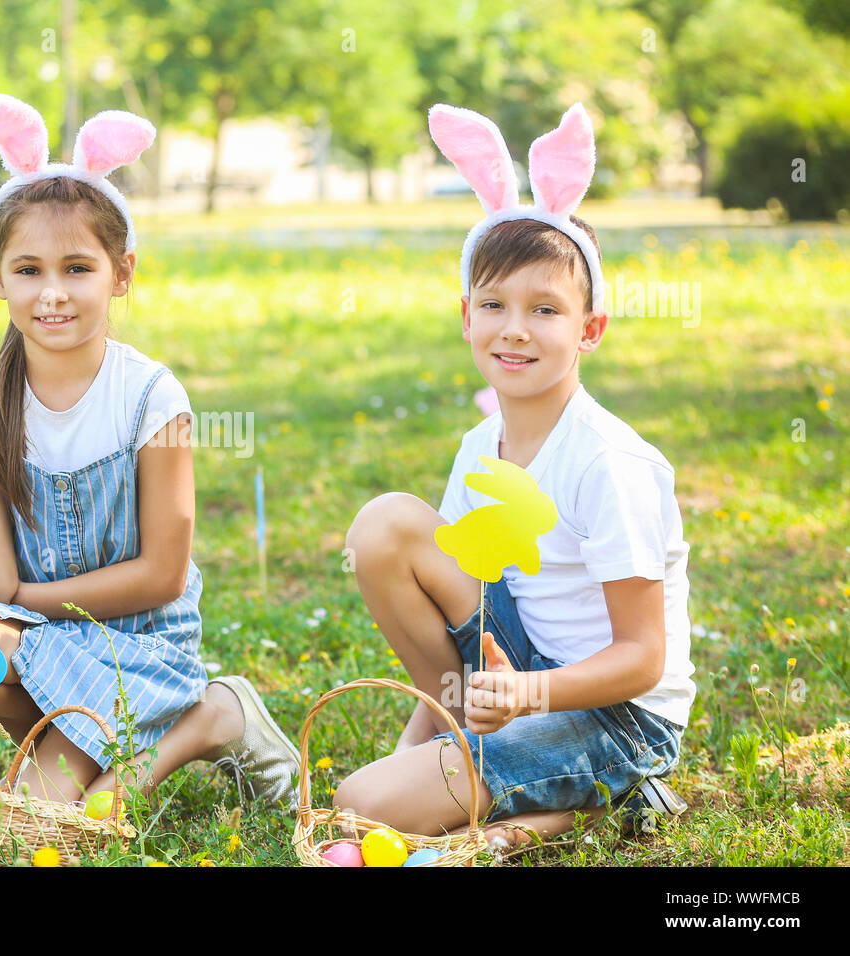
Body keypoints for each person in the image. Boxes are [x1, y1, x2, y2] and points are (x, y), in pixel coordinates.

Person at [0, 93, 299, 805]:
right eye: (28, 271)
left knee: (45, 827)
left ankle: (207, 716)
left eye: (77, 269)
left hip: (142, 646)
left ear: (122, 273)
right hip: (39, 635)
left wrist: (23, 607)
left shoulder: (153, 399)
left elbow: (162, 575)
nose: (52, 294)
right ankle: (101, 752)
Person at [335, 103, 693, 850]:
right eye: (494, 304)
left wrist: (528, 694)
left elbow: (643, 657)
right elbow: (465, 613)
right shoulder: (480, 445)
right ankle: (483, 761)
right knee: (385, 527)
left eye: (546, 309)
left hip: (619, 713)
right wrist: (432, 738)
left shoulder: (607, 462)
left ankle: (607, 801)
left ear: (589, 329)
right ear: (466, 316)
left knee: (360, 800)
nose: (515, 328)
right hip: (522, 669)